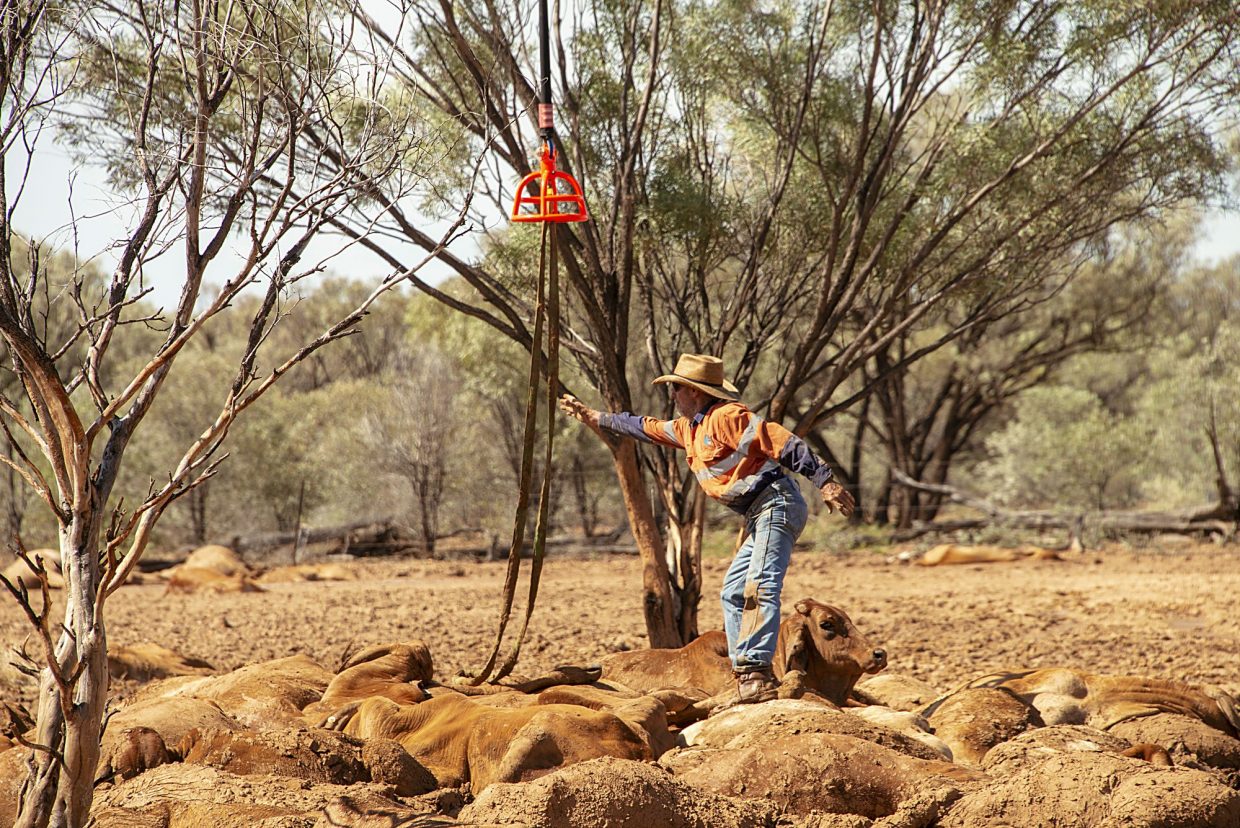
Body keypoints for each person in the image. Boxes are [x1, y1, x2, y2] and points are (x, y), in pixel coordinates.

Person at [558, 353, 855, 703]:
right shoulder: (689, 429)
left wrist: (824, 480)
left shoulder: (727, 417)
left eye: (677, 389)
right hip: (759, 513)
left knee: (759, 585)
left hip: (776, 502)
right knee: (732, 592)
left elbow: (779, 440)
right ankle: (744, 671)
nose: (673, 396)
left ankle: (756, 673)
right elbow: (644, 426)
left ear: (695, 392)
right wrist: (594, 416)